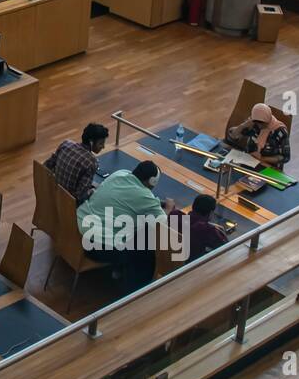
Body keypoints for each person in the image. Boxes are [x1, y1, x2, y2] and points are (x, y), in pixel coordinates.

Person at [77, 160, 172, 294]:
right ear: (151, 181)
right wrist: (169, 208)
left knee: (130, 225)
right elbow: (161, 222)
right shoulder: (144, 196)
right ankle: (135, 293)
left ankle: (118, 269)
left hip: (78, 229)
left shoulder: (120, 174)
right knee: (146, 248)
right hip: (96, 248)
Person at [44, 122, 109, 204]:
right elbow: (79, 197)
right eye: (101, 143)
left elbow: (47, 166)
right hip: (67, 205)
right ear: (91, 142)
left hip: (52, 194)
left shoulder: (66, 144)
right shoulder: (92, 162)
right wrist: (92, 191)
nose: (103, 147)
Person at [225, 102, 291, 168]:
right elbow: (232, 137)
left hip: (267, 165)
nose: (260, 126)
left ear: (268, 119)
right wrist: (244, 125)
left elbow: (285, 157)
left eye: (262, 123)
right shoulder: (254, 124)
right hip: (248, 160)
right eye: (257, 123)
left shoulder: (280, 132)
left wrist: (261, 159)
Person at [169, 194, 228, 262]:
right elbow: (225, 248)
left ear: (193, 206)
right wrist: (221, 232)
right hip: (189, 267)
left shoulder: (175, 215)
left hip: (169, 261)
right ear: (211, 213)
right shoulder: (207, 230)